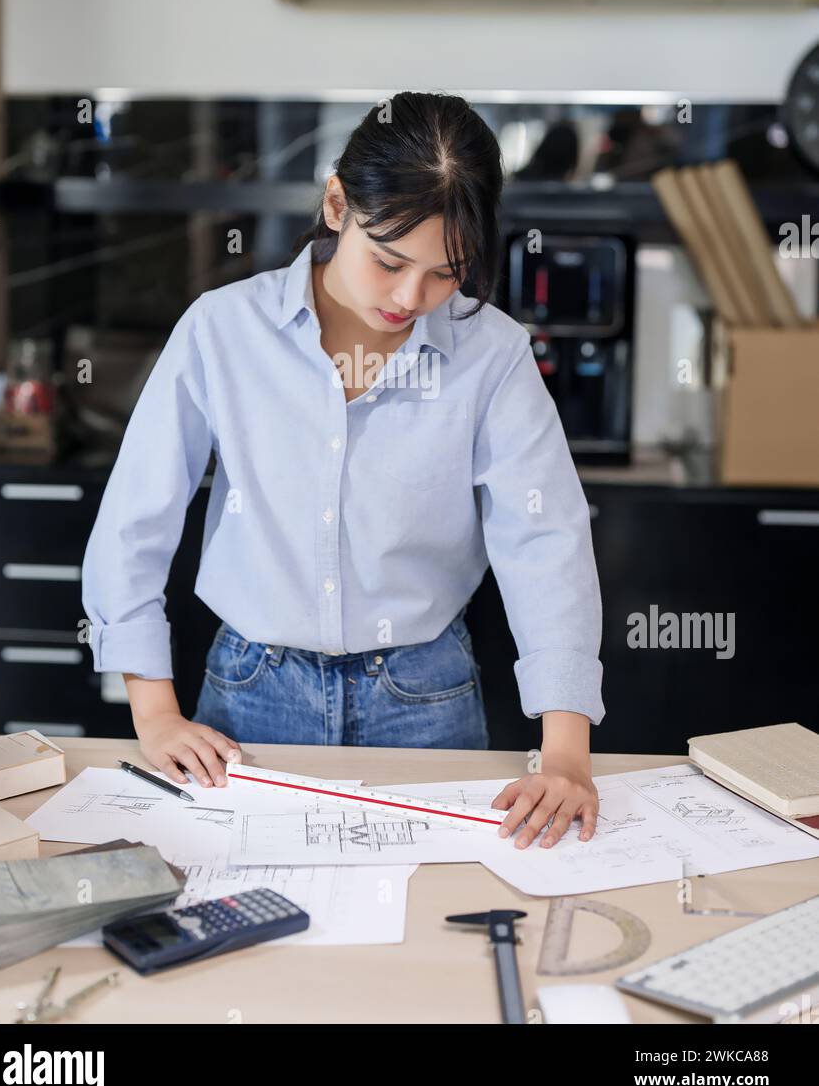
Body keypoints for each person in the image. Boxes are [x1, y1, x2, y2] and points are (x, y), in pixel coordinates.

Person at [82, 91, 604, 850]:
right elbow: (136, 518)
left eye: (445, 274)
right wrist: (154, 712)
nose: (408, 298)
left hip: (424, 700)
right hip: (251, 699)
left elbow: (545, 542)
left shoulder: (491, 354)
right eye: (389, 261)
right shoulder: (224, 330)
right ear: (336, 204)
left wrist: (565, 754)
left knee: (431, 935)